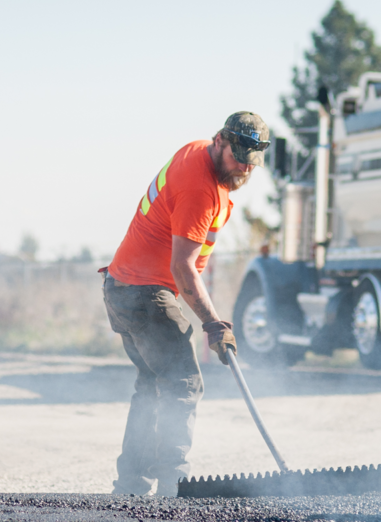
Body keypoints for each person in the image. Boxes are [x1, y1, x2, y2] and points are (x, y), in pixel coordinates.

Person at [100, 112, 270, 496]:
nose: (243, 167)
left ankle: (131, 486)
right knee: (183, 382)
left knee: (152, 385)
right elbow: (182, 267)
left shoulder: (198, 155)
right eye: (237, 156)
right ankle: (175, 486)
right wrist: (213, 324)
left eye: (250, 161)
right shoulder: (200, 187)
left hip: (123, 287)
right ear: (220, 140)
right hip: (144, 293)